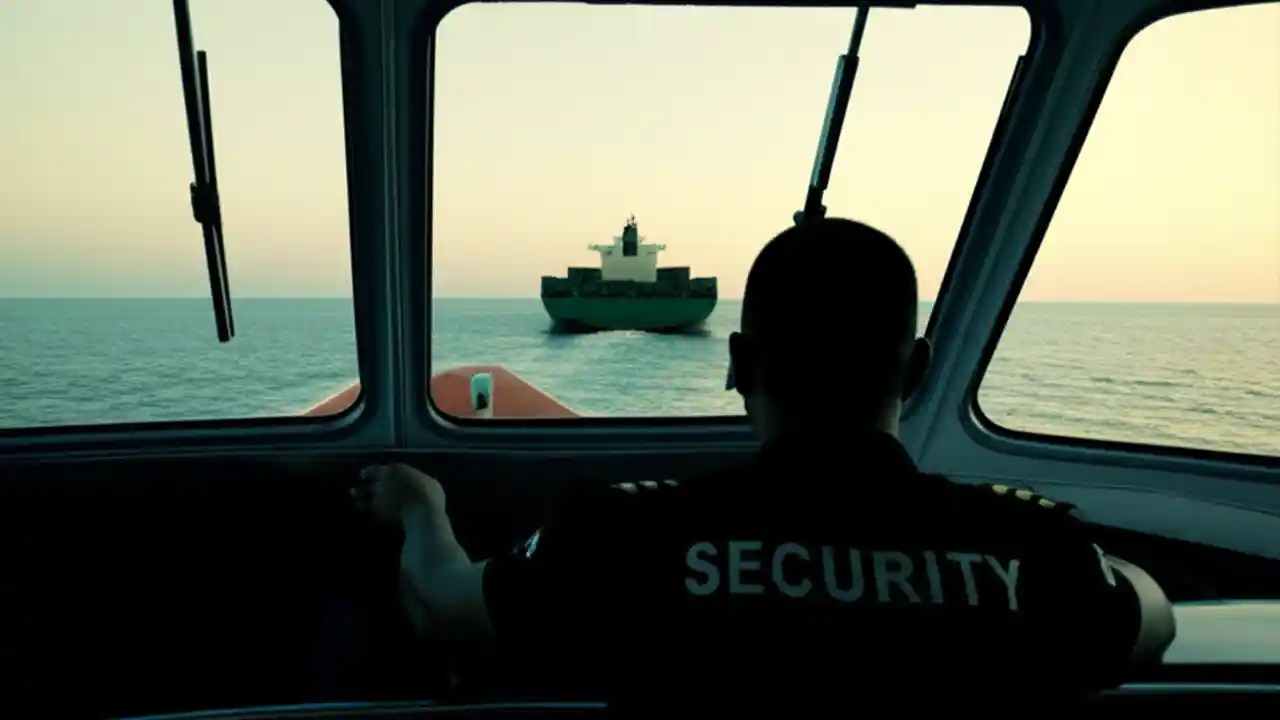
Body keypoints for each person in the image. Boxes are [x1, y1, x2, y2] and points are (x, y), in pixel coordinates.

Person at [354, 218, 1175, 715]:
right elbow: (1152, 621)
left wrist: (421, 504)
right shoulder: (1034, 550)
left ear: (740, 365)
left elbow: (442, 607)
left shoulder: (622, 534)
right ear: (919, 372)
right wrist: (1103, 566)